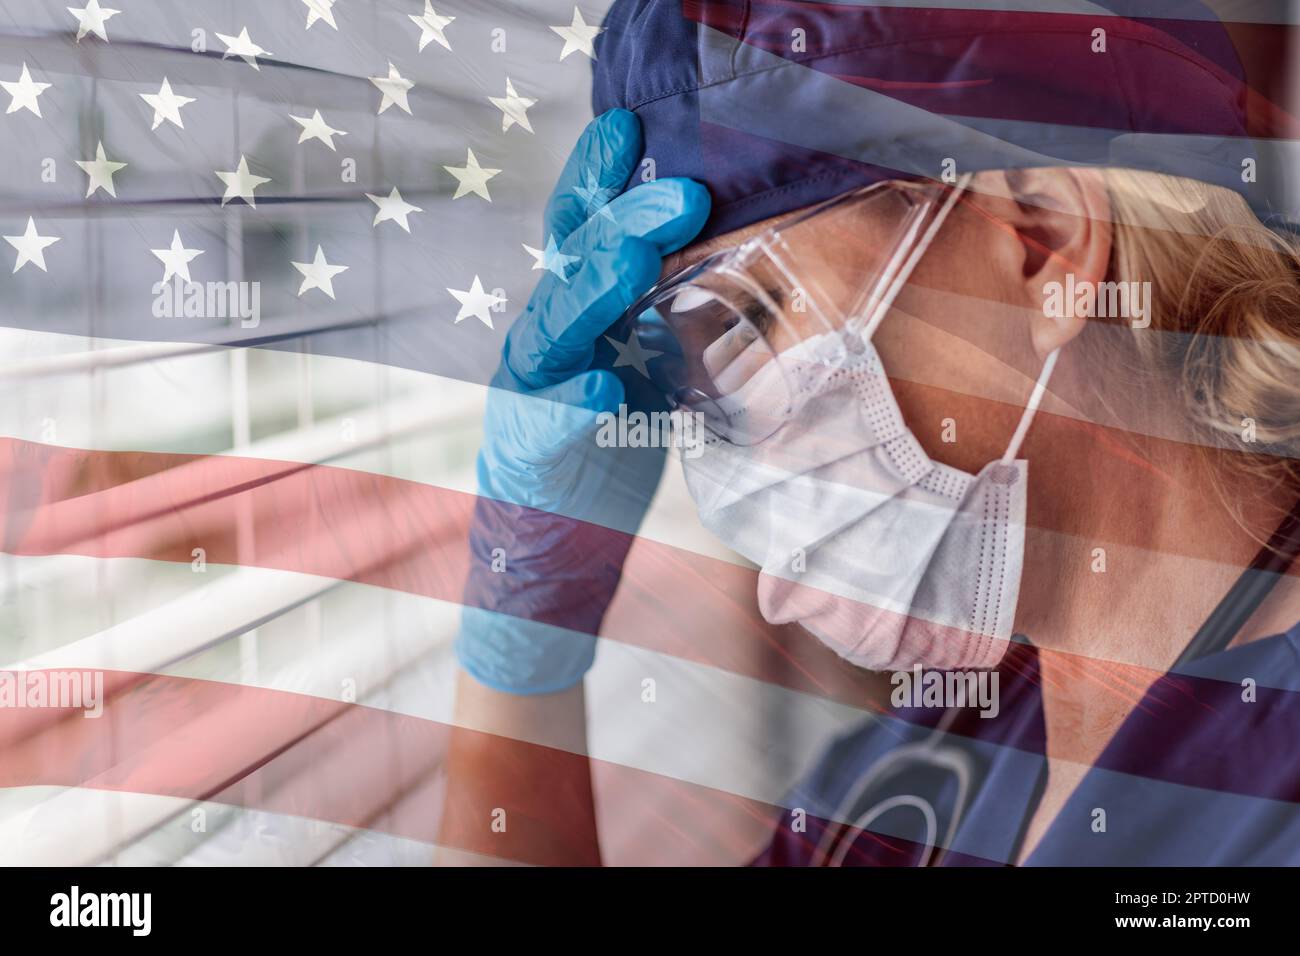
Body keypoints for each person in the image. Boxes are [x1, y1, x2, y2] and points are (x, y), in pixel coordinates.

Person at [439, 3, 1300, 866]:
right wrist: (521, 654)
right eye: (679, 373)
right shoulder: (915, 769)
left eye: (744, 320)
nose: (726, 448)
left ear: (1044, 243)